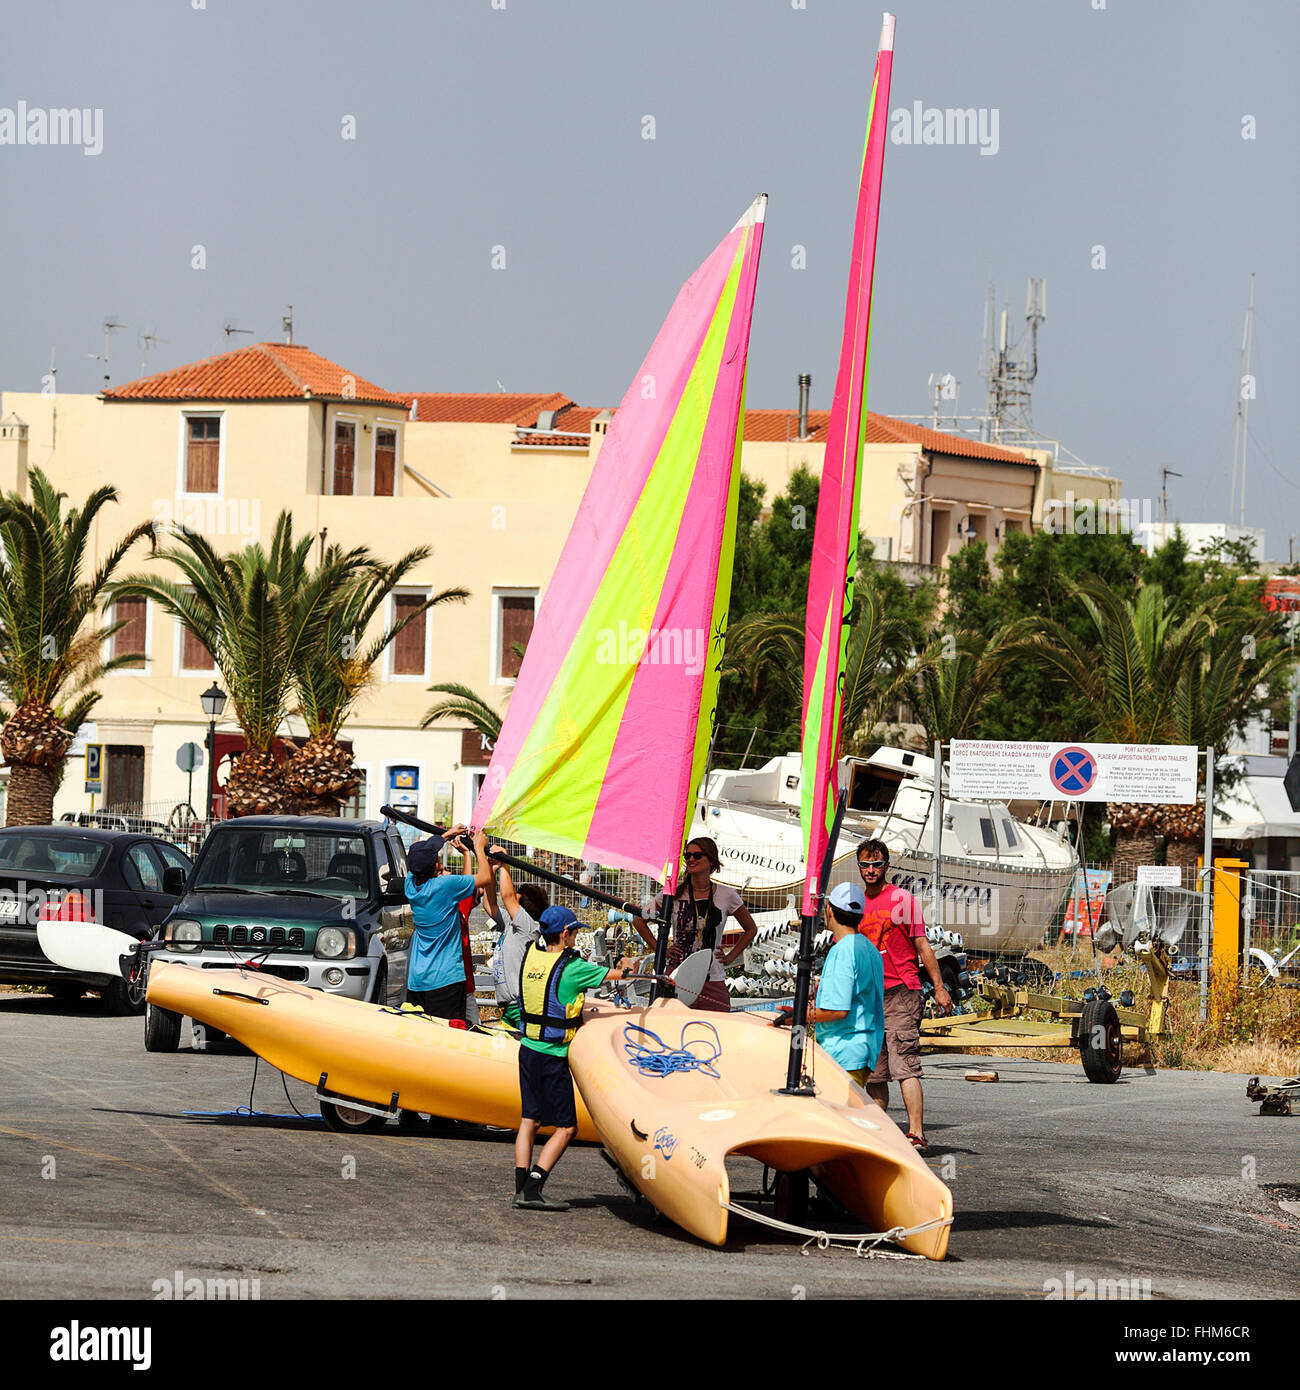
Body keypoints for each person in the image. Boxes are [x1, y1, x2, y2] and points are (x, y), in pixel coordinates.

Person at [514, 905, 635, 1211]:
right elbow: (618, 975)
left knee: (529, 1120)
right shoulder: (573, 966)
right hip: (552, 1056)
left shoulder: (532, 957)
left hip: (527, 1049)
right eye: (576, 931)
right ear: (565, 934)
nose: (577, 936)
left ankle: (520, 1188)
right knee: (567, 1128)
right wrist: (630, 965)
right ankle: (533, 1187)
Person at [855, 838, 951, 1153]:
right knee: (876, 1071)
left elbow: (923, 945)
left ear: (887, 865)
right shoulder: (856, 903)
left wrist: (938, 987)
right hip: (870, 996)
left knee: (904, 1065)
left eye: (877, 864)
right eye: (865, 864)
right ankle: (878, 1133)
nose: (871, 870)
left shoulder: (902, 900)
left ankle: (916, 1134)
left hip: (902, 991)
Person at [631, 836, 757, 1012]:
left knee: (715, 1030)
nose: (691, 859)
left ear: (711, 860)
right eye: (687, 855)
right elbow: (639, 920)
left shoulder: (727, 895)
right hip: (677, 976)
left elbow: (751, 929)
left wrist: (730, 957)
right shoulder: (672, 894)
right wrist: (662, 950)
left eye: (697, 855)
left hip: (712, 978)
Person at [404, 825, 492, 1022]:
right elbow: (485, 878)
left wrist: (445, 836)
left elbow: (423, 859)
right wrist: (478, 848)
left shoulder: (410, 886)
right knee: (449, 1036)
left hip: (418, 980)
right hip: (446, 980)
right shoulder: (444, 886)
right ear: (437, 866)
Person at [806, 881, 884, 1086]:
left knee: (835, 1114)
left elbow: (837, 1010)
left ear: (829, 910)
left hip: (843, 1050)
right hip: (865, 1049)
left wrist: (797, 1016)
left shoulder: (841, 951)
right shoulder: (870, 948)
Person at [483, 846, 549, 1030]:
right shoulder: (512, 925)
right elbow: (489, 904)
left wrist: (505, 863)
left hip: (521, 1006)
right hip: (509, 1006)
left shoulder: (528, 927)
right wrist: (492, 870)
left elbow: (507, 896)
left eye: (516, 900)